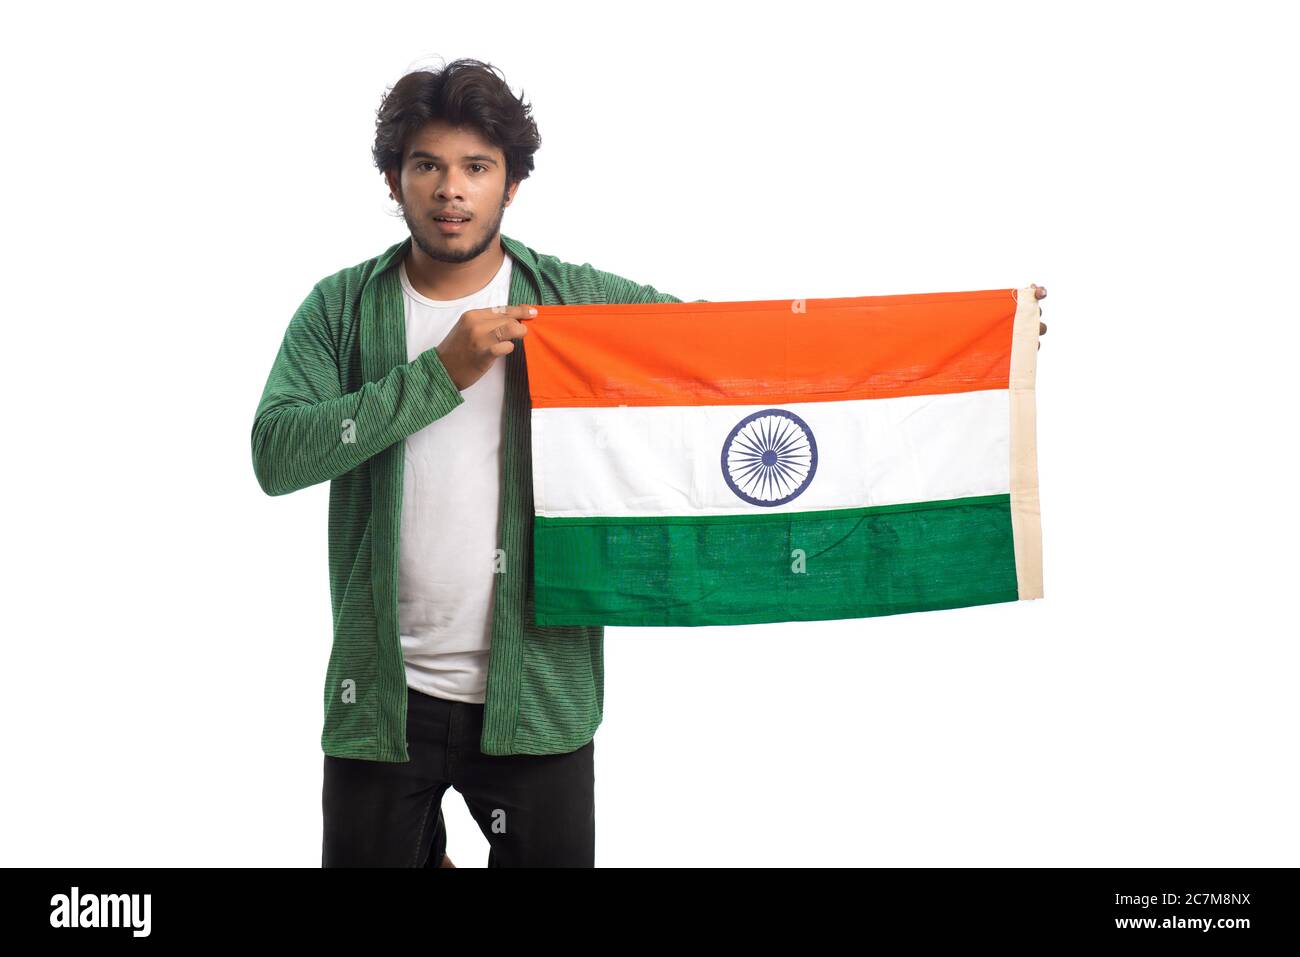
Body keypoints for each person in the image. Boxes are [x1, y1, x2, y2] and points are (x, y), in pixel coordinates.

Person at [252, 57, 1049, 868]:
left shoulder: (573, 305)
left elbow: (732, 355)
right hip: (381, 704)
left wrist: (979, 340)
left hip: (540, 704)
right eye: (428, 165)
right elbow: (277, 454)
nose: (450, 189)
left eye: (476, 168)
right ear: (395, 179)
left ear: (511, 186)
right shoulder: (340, 309)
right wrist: (437, 377)